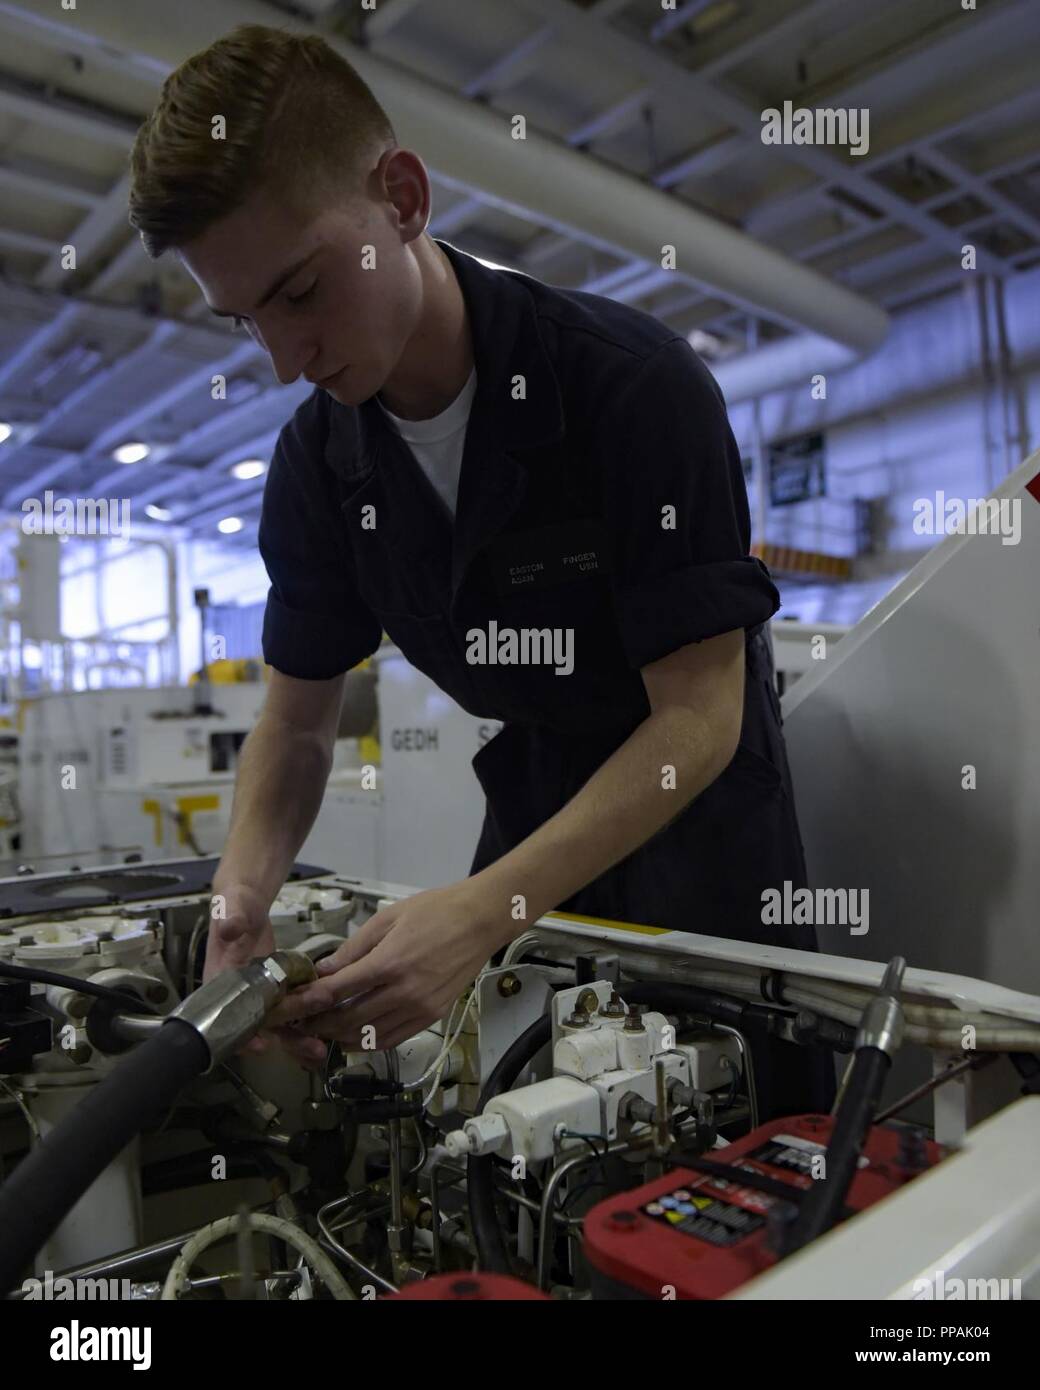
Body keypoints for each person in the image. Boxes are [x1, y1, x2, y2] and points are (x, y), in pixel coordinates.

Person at [129, 25, 834, 1118]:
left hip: (703, 838)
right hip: (530, 800)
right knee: (500, 1130)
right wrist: (240, 897)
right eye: (246, 319)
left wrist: (480, 912)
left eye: (302, 292)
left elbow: (698, 721)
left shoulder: (630, 388)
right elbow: (298, 722)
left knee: (725, 1143)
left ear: (402, 198)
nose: (282, 359)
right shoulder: (318, 463)